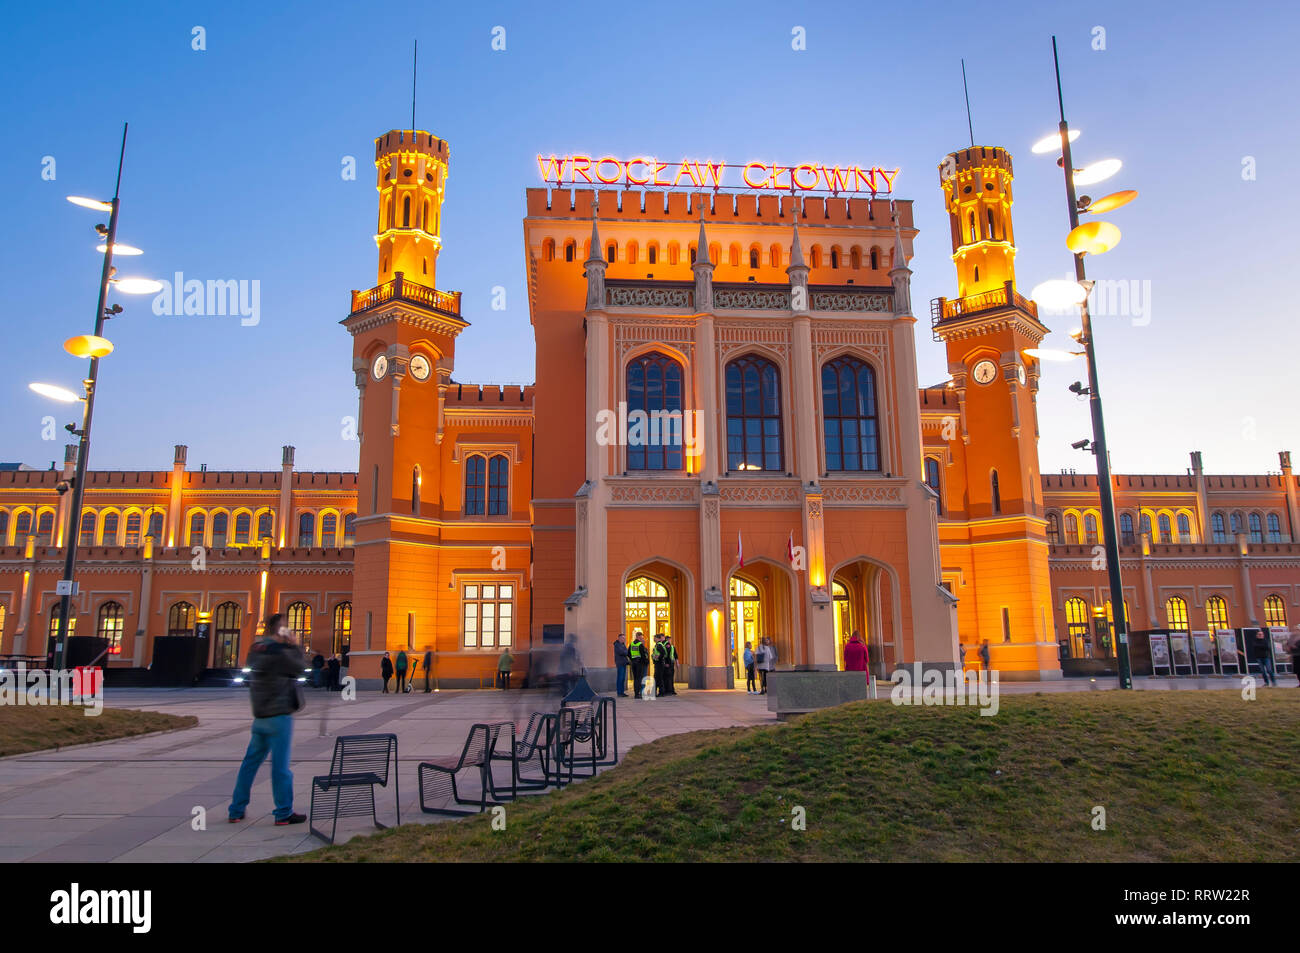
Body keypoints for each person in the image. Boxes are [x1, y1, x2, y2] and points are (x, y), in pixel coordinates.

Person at [228, 613, 307, 825]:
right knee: (281, 767)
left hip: (260, 716)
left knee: (249, 764)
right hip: (279, 716)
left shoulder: (255, 650)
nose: (288, 630)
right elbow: (300, 667)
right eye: (285, 627)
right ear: (279, 629)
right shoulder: (280, 652)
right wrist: (293, 645)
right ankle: (283, 813)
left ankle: (236, 809)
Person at [629, 630, 648, 699]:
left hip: (634, 663)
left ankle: (636, 693)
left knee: (635, 679)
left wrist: (632, 659)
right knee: (639, 679)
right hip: (639, 664)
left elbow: (628, 653)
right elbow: (643, 655)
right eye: (640, 637)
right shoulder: (640, 645)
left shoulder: (632, 644)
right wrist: (645, 662)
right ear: (637, 637)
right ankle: (638, 694)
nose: (641, 639)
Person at [613, 633, 630, 697]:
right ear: (619, 638)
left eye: (624, 638)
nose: (624, 639)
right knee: (620, 678)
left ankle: (622, 692)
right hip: (620, 663)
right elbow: (622, 652)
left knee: (623, 678)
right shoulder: (617, 645)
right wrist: (625, 652)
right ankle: (619, 692)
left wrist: (625, 652)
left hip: (624, 663)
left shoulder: (622, 645)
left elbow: (626, 652)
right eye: (623, 638)